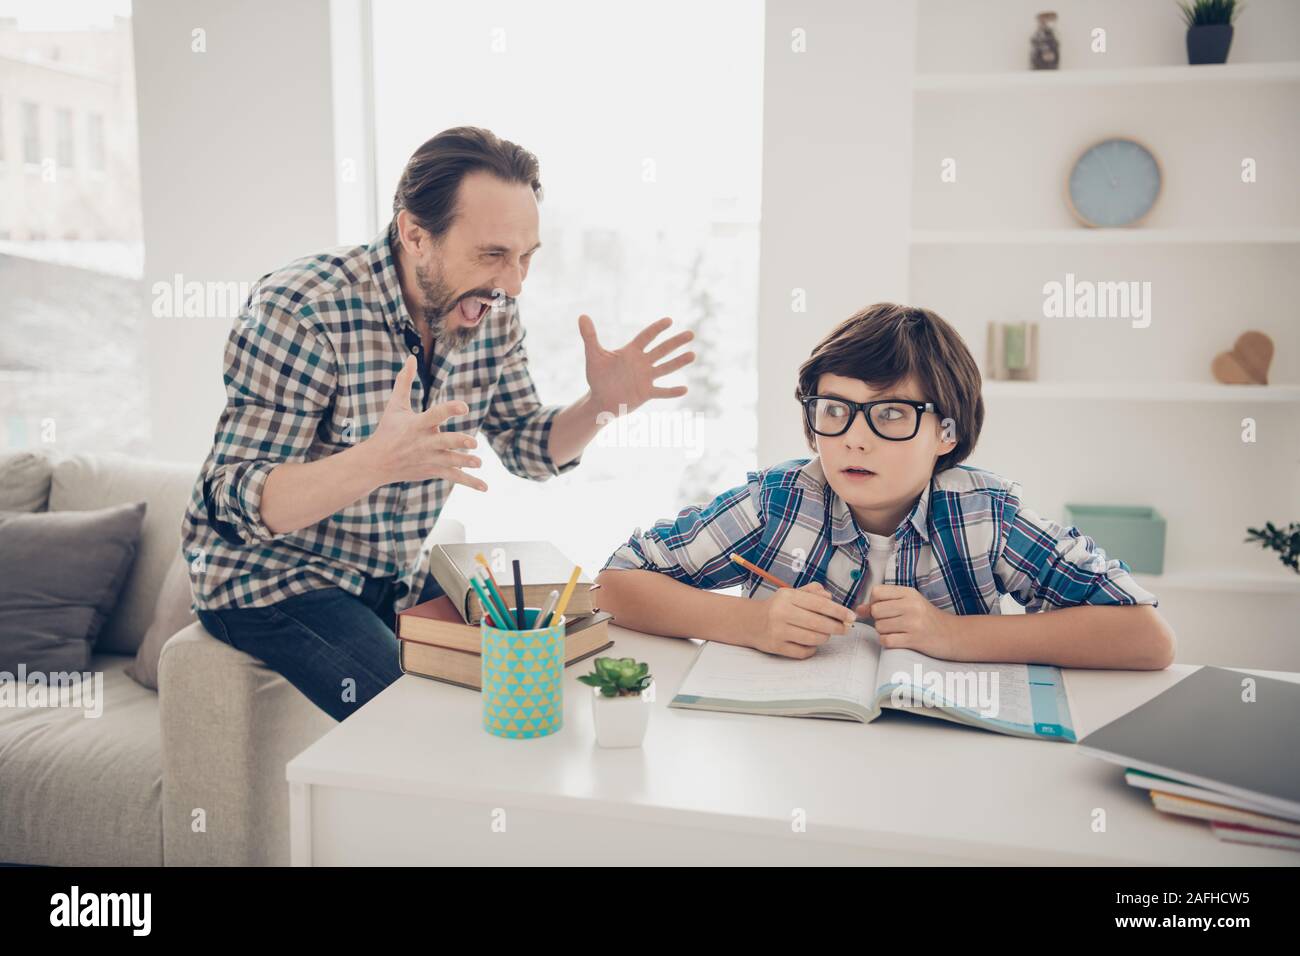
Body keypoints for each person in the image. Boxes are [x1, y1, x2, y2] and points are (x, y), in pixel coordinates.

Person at [181, 127, 696, 720]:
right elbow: (231, 506)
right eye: (493, 255)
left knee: (549, 664)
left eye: (526, 257)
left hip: (391, 573)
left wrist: (600, 406)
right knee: (421, 723)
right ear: (414, 234)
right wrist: (374, 463)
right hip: (273, 579)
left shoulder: (491, 310)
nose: (513, 284)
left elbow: (528, 446)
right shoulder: (302, 309)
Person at [596, 303, 1175, 670]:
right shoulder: (778, 501)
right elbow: (615, 585)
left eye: (892, 414)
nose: (854, 440)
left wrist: (950, 635)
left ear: (946, 432)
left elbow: (1145, 637)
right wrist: (750, 623)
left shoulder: (983, 514)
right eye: (835, 410)